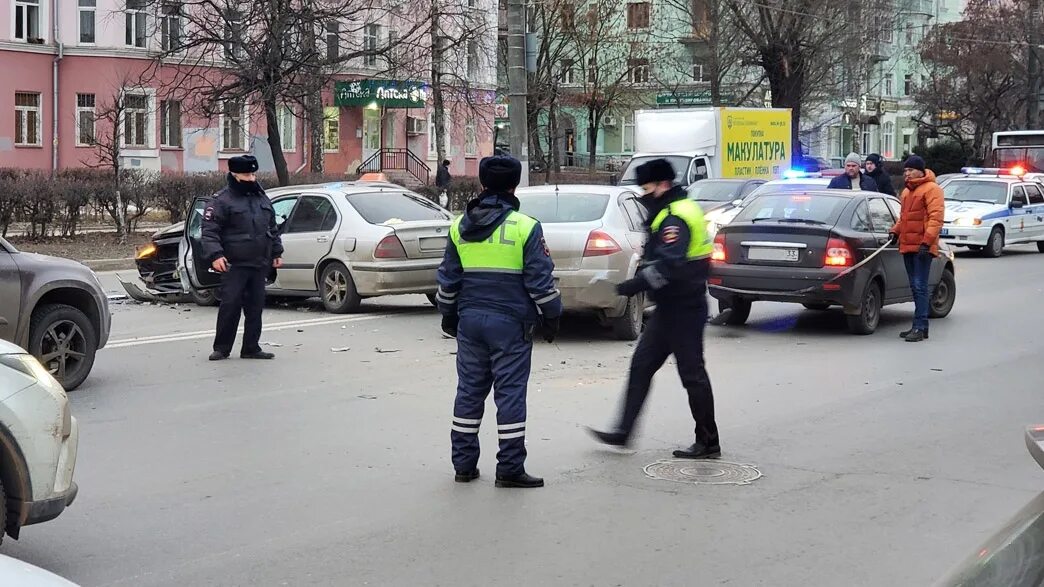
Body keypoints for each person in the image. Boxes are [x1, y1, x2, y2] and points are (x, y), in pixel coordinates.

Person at [436, 155, 562, 489]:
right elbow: (541, 282)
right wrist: (552, 316)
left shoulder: (459, 226)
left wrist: (448, 315)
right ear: (514, 186)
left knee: (469, 392)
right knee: (509, 395)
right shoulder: (524, 227)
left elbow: (448, 281)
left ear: (482, 184)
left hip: (470, 321)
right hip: (510, 325)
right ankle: (509, 468)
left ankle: (463, 465)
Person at [588, 158, 720, 459]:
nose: (643, 194)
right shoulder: (669, 211)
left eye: (646, 188)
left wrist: (631, 286)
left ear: (662, 185)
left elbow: (670, 264)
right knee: (641, 367)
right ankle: (622, 432)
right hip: (669, 309)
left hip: (684, 309)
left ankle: (708, 441)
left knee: (692, 375)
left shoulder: (675, 217)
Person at [201, 155, 283, 361]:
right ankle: (222, 347)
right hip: (234, 264)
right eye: (247, 174)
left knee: (255, 308)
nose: (251, 178)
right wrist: (215, 255)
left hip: (259, 262)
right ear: (235, 175)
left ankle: (251, 347)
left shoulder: (261, 198)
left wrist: (276, 252)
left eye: (253, 174)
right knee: (230, 307)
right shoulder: (221, 200)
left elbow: (271, 228)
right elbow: (210, 231)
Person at [889, 155, 944, 343]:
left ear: (920, 170)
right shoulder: (907, 192)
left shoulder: (932, 189)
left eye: (910, 170)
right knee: (914, 286)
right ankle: (919, 325)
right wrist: (895, 231)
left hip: (922, 246)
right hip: (907, 244)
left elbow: (936, 218)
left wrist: (927, 242)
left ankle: (920, 326)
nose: (907, 173)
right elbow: (904, 218)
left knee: (920, 287)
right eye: (905, 171)